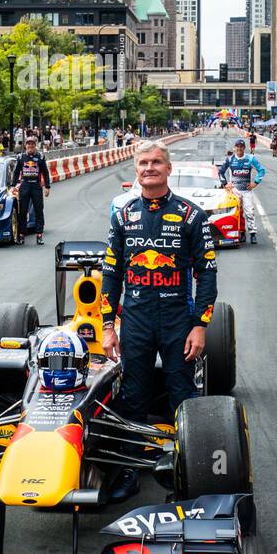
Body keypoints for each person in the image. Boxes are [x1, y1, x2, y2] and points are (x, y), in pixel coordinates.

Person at [101, 140, 218, 501]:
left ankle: (190, 473)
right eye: (143, 163)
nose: (149, 168)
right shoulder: (122, 216)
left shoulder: (191, 215)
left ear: (168, 169)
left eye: (156, 162)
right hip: (134, 320)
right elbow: (110, 273)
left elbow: (207, 274)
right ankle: (128, 471)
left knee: (182, 393)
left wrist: (200, 324)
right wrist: (108, 326)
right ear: (135, 170)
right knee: (133, 395)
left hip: (176, 320)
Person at [218, 137, 265, 244]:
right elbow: (220, 172)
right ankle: (241, 232)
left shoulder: (250, 158)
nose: (239, 149)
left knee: (249, 212)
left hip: (247, 191)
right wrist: (225, 184)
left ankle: (253, 234)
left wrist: (255, 183)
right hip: (234, 191)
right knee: (236, 213)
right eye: (237, 147)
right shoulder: (230, 159)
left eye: (241, 147)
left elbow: (261, 171)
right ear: (235, 148)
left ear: (244, 148)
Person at [12, 135, 51, 245]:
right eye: (28, 144)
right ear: (25, 145)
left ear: (35, 145)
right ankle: (22, 235)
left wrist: (47, 187)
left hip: (36, 186)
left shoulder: (40, 157)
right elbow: (16, 172)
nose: (30, 146)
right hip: (24, 186)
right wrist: (14, 185)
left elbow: (45, 172)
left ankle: (39, 235)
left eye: (32, 144)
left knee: (39, 210)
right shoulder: (20, 157)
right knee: (23, 211)